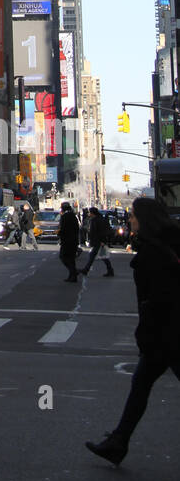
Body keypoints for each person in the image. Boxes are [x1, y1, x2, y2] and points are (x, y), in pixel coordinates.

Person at [86, 198, 180, 465]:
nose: (129, 220)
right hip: (166, 334)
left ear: (145, 219)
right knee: (140, 384)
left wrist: (146, 335)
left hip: (167, 335)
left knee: (140, 385)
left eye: (134, 216)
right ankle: (118, 441)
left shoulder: (155, 252)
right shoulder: (166, 244)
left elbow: (158, 300)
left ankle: (118, 442)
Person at [81, 207, 115, 277]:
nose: (89, 214)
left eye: (90, 212)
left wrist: (102, 240)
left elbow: (101, 231)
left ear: (93, 213)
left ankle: (86, 270)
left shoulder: (98, 220)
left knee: (93, 255)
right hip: (97, 240)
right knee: (102, 256)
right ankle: (110, 270)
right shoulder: (96, 219)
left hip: (98, 241)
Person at [58, 202, 81, 282]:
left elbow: (63, 229)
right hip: (74, 240)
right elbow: (77, 229)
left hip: (67, 241)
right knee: (71, 259)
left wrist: (60, 234)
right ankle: (73, 275)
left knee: (64, 257)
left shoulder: (64, 217)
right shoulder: (74, 216)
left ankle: (73, 272)